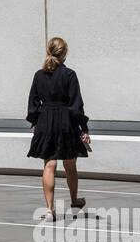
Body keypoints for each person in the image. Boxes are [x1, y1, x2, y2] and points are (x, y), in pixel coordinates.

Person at [26, 37, 91, 221]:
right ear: (65, 53)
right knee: (70, 164)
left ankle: (49, 210)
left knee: (49, 164)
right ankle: (74, 200)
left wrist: (36, 121)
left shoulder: (39, 75)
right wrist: (84, 128)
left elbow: (32, 103)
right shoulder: (70, 75)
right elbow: (76, 105)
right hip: (66, 121)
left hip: (46, 120)